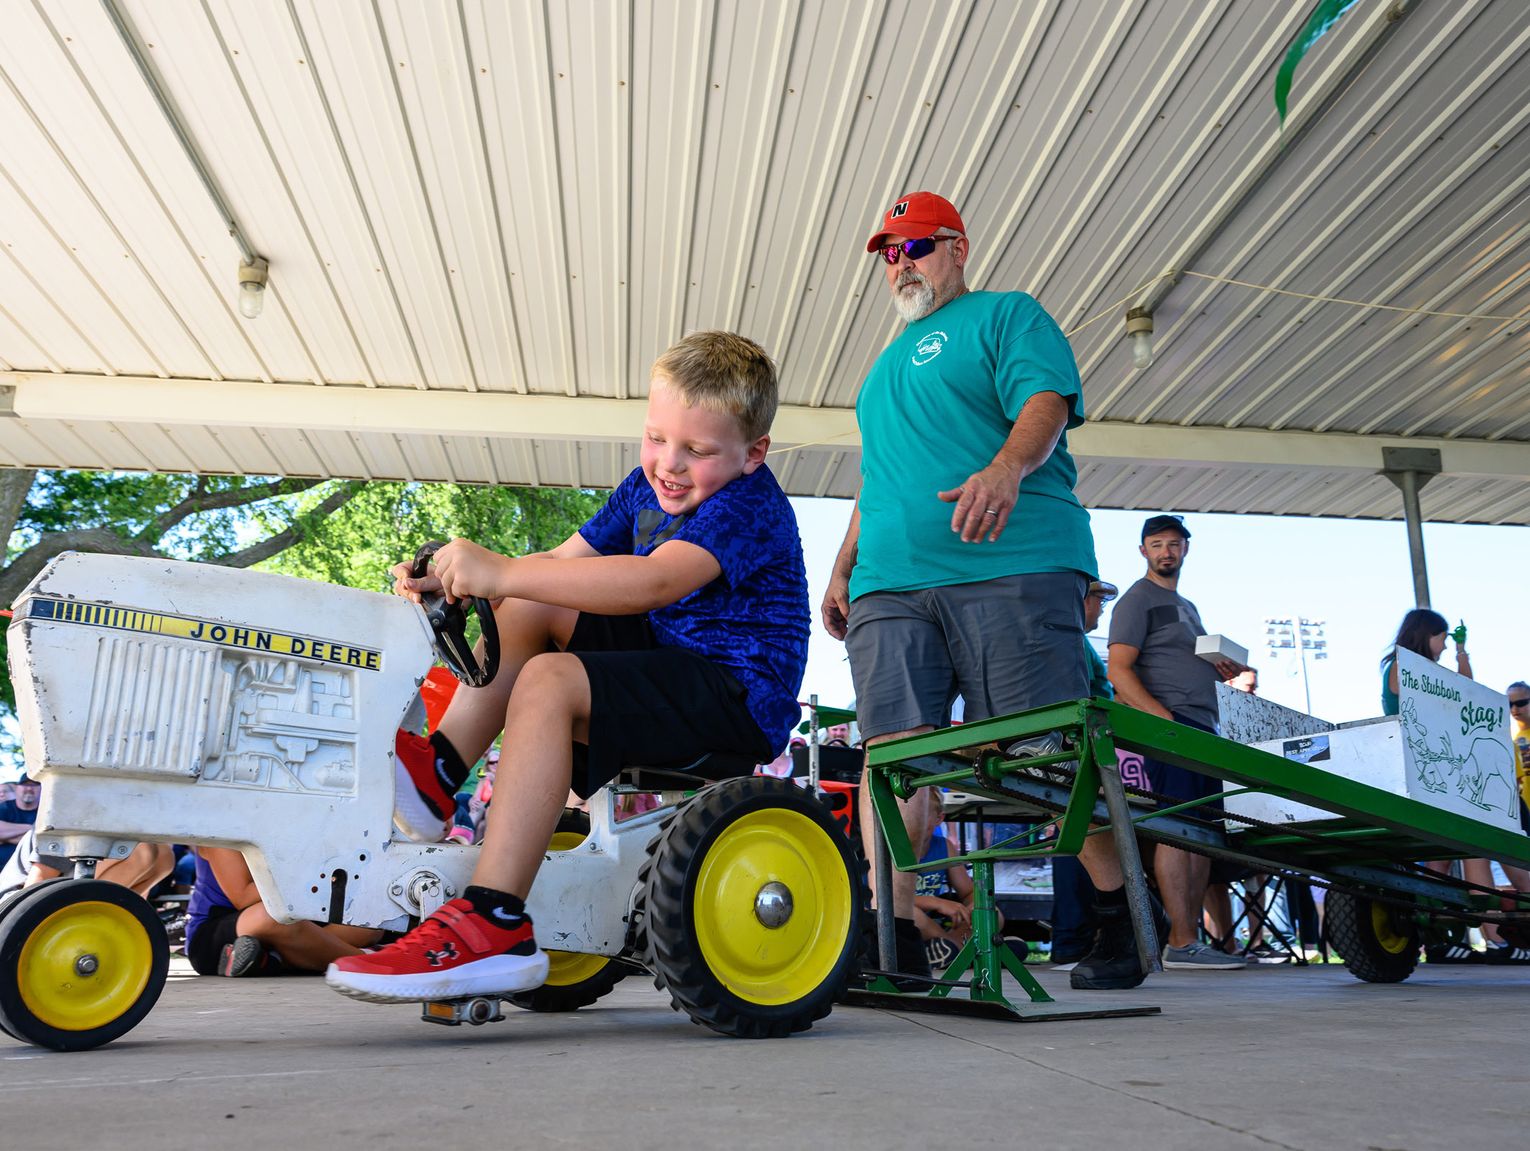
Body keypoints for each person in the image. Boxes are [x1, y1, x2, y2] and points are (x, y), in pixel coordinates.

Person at [327, 330, 810, 1003]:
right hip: (667, 659)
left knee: (548, 679)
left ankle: (494, 920)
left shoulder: (749, 505)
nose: (668, 465)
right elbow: (558, 563)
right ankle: (436, 774)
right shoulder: (644, 488)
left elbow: (652, 583)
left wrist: (501, 571)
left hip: (736, 694)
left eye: (696, 450)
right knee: (529, 598)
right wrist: (463, 577)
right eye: (655, 438)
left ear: (753, 452)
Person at [822, 190, 1152, 992]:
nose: (901, 264)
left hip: (1008, 563)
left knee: (1045, 751)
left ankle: (1119, 913)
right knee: (894, 755)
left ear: (957, 247)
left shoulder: (1007, 314)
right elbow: (880, 478)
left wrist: (1006, 467)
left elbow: (1045, 401)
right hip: (889, 584)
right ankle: (892, 930)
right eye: (889, 253)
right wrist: (842, 564)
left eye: (916, 246)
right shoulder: (878, 374)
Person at [1108, 514, 1247, 971]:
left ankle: (1192, 941)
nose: (1165, 552)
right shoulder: (1136, 600)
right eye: (1156, 544)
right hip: (1175, 728)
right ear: (1143, 551)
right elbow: (1117, 670)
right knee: (1177, 828)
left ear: (1186, 548)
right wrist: (1163, 720)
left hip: (1203, 727)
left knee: (1201, 833)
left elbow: (1180, 663)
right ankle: (1181, 939)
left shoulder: (1187, 606)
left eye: (1173, 543)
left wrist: (1221, 669)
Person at [1381, 611, 1527, 963]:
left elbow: (1466, 692)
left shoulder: (1419, 668)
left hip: (1442, 775)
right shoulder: (1403, 666)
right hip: (1429, 772)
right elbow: (1444, 704)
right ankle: (1493, 939)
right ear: (1426, 634)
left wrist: (1462, 651)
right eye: (1443, 638)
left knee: (1444, 859)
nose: (1445, 646)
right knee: (1473, 848)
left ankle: (1450, 940)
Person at [1048, 579, 1116, 968]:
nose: (1102, 607)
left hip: (1083, 747)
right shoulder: (1070, 639)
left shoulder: (1079, 641)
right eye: (1098, 599)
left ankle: (1074, 940)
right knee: (1077, 838)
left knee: (1077, 837)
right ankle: (1072, 941)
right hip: (1078, 749)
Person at [184, 846, 381, 977]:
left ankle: (274, 959)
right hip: (214, 932)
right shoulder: (221, 827)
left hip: (291, 916)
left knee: (367, 924)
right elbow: (242, 897)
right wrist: (312, 876)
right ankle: (368, 963)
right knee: (271, 916)